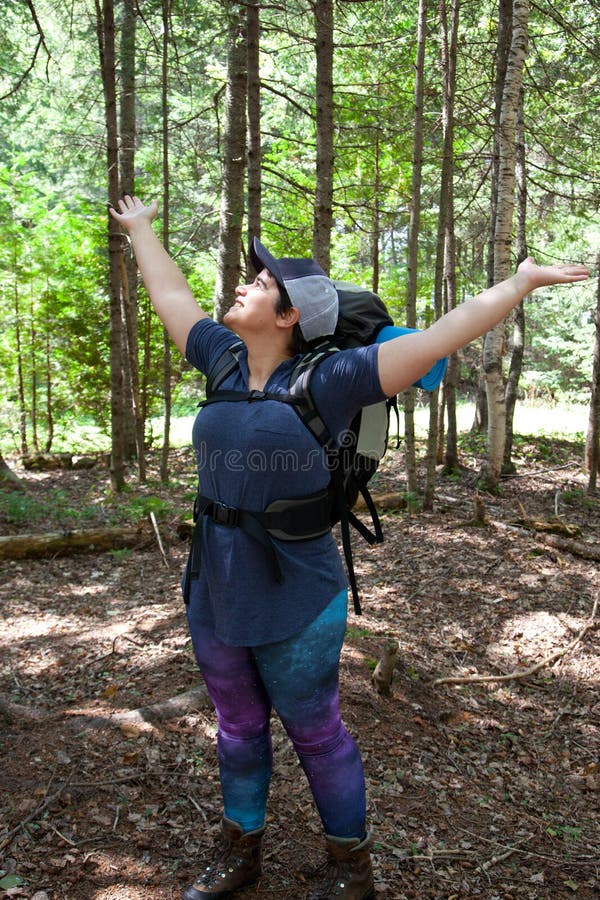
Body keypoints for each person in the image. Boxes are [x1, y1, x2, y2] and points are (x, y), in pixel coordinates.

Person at [109, 195, 588, 900]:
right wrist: (142, 229)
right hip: (213, 587)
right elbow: (171, 294)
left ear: (290, 315)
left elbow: (443, 335)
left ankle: (349, 868)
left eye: (262, 283)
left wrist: (519, 284)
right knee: (238, 728)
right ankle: (239, 853)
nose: (244, 283)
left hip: (299, 595)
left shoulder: (333, 382)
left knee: (316, 733)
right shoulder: (220, 357)